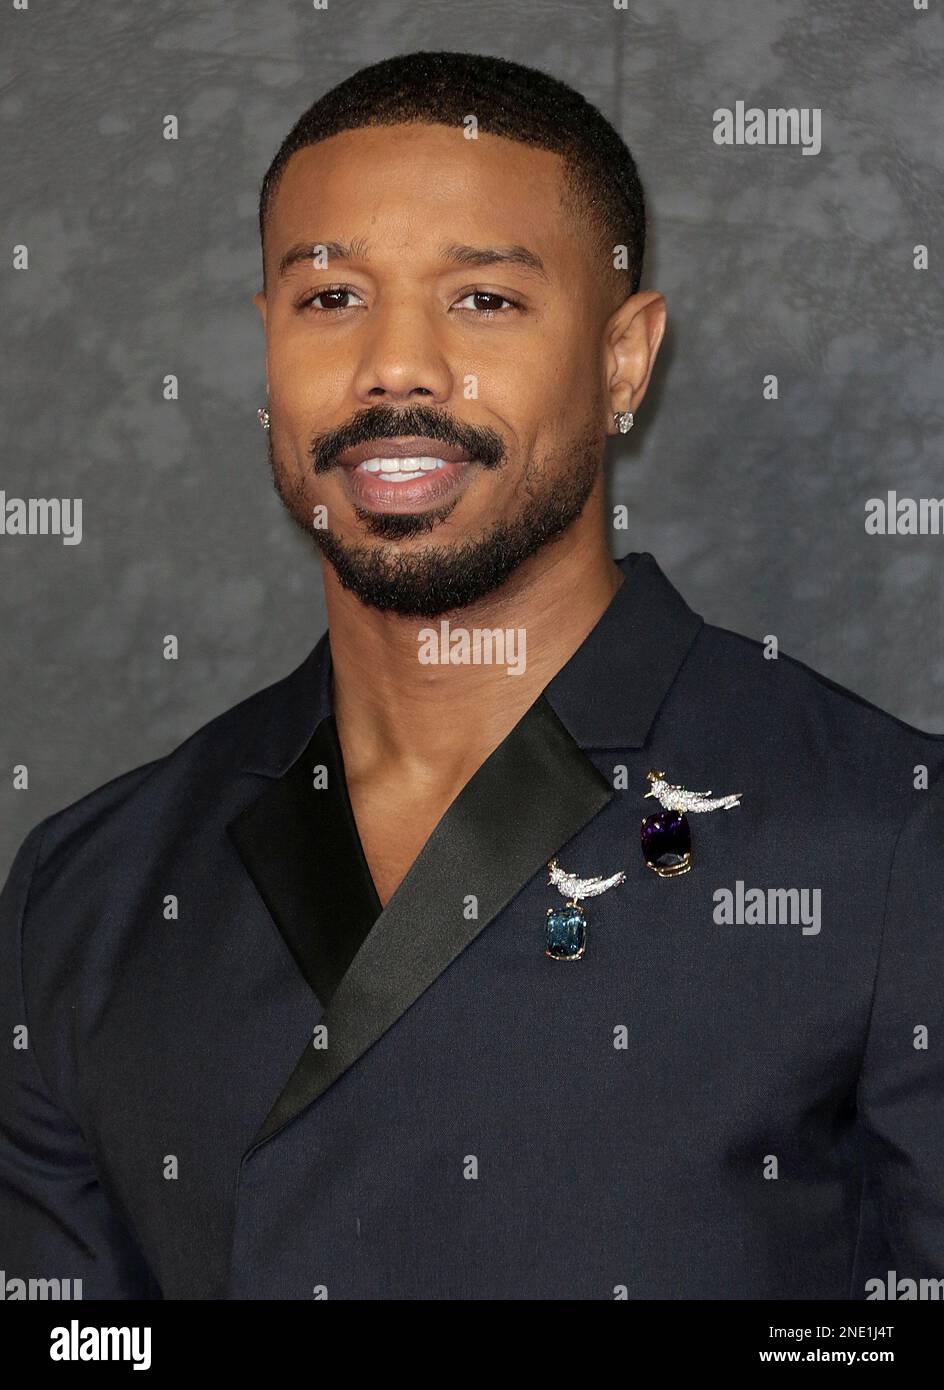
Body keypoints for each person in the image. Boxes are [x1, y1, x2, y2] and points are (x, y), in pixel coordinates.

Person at [2, 50, 942, 1301]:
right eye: (329, 298)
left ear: (621, 362)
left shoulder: (888, 843)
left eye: (483, 300)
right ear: (264, 348)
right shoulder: (89, 890)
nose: (396, 369)